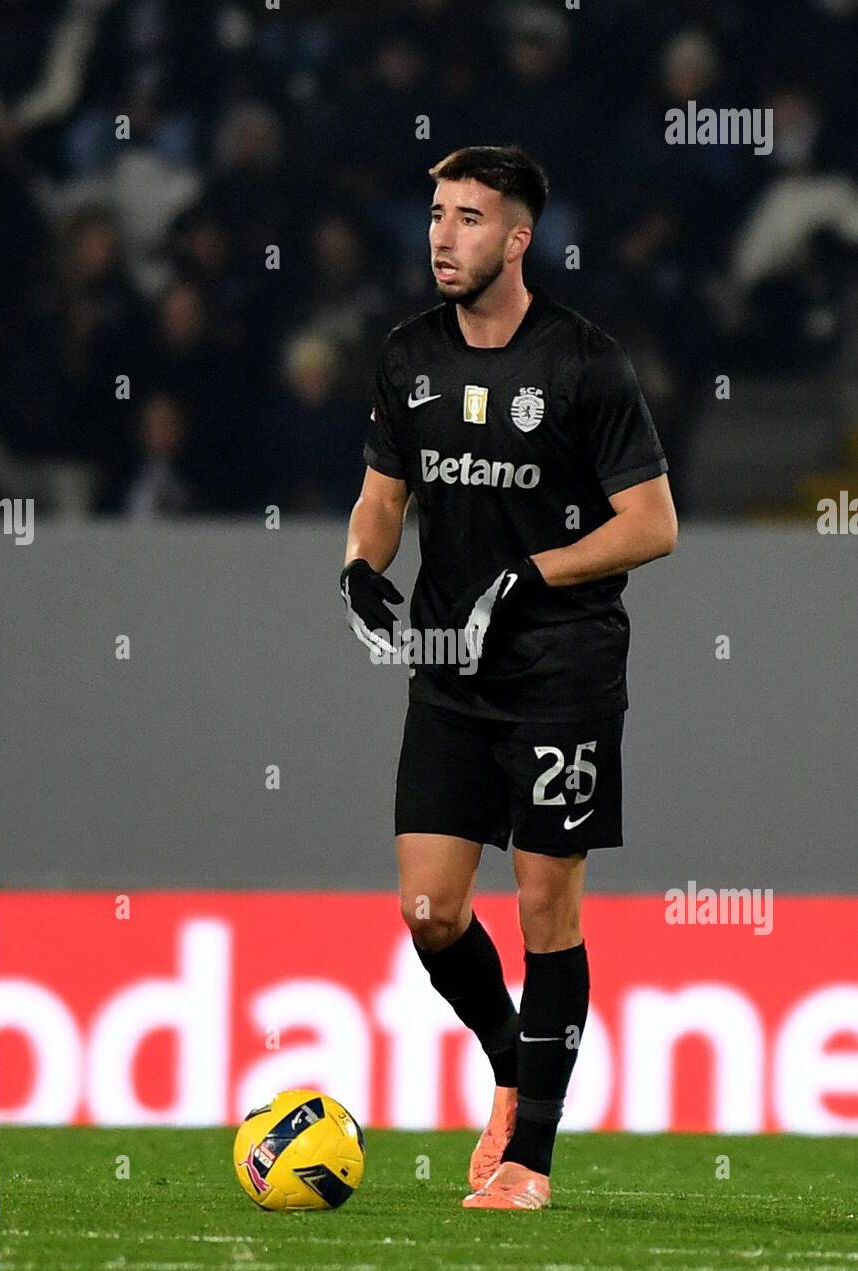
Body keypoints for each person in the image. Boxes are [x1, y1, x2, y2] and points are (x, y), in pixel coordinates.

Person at [340, 146, 677, 1209]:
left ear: (518, 238)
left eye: (471, 218)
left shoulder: (584, 363)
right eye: (437, 214)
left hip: (560, 668)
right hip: (448, 664)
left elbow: (652, 525)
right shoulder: (406, 355)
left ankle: (529, 1158)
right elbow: (383, 494)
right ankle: (512, 1063)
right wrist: (359, 565)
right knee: (432, 910)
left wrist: (529, 573)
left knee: (545, 906)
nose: (443, 235)